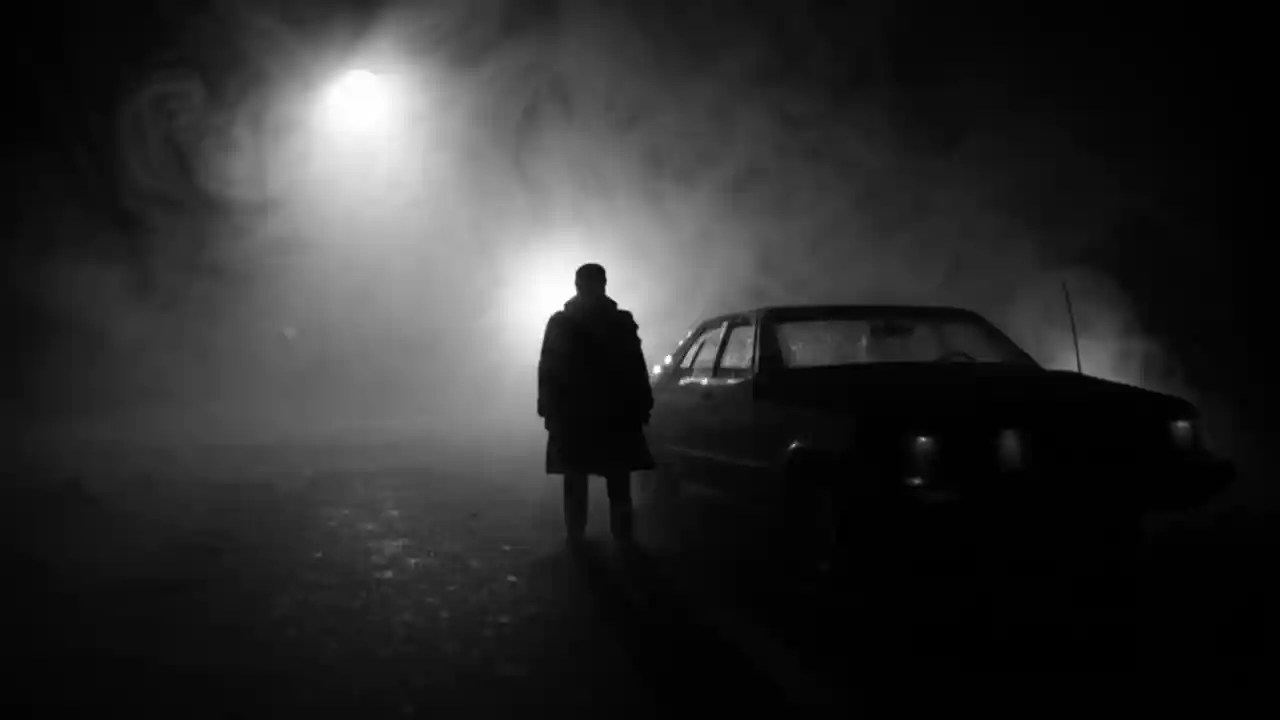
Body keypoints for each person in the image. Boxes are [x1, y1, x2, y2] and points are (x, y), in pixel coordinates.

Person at [537, 263, 654, 547]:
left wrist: (548, 408)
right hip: (614, 413)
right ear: (603, 284)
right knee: (617, 481)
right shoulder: (620, 321)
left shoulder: (562, 322)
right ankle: (621, 538)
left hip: (576, 415)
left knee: (577, 480)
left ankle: (578, 538)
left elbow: (547, 369)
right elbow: (636, 367)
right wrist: (642, 403)